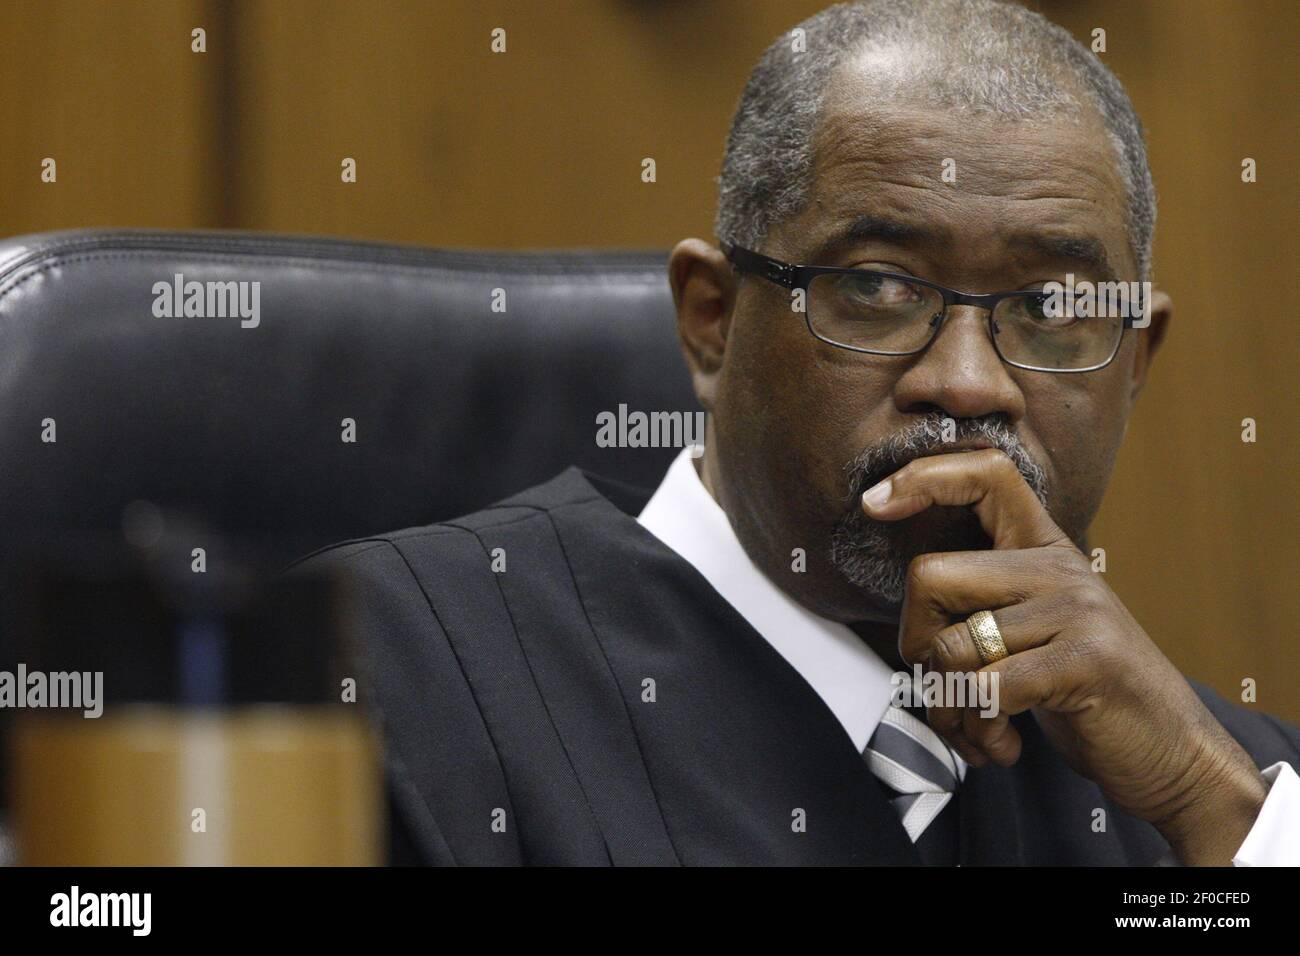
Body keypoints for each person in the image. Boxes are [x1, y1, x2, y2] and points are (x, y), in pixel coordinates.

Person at [293, 0, 1299, 865]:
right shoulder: (377, 670)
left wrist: (1212, 804)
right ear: (712, 319)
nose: (967, 381)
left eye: (1049, 305)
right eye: (875, 286)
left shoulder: (1208, 779)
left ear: (1133, 362)